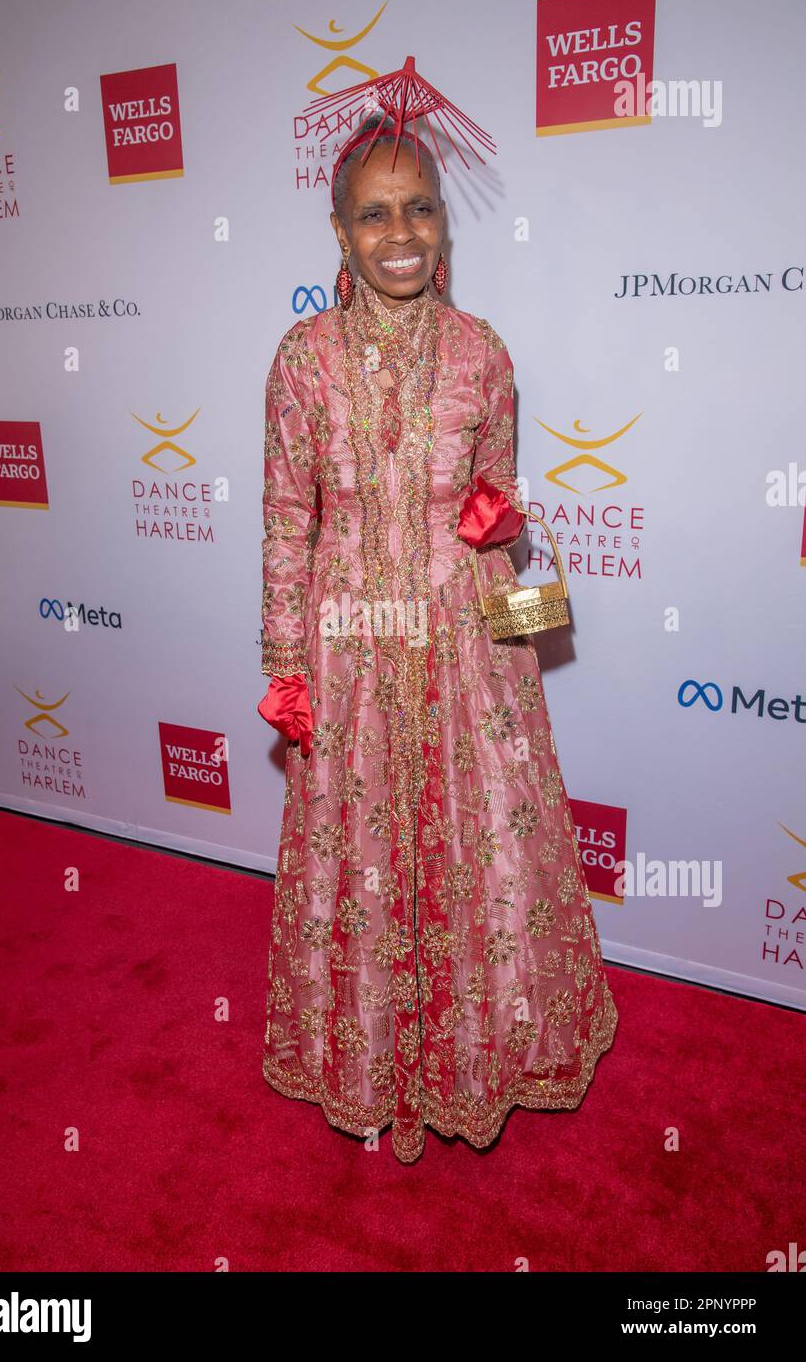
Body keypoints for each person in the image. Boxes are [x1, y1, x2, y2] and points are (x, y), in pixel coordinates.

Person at [257, 58, 618, 1164]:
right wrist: (286, 661)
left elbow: (494, 512)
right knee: (362, 848)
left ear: (442, 229)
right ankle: (376, 1072)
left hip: (465, 649)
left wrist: (525, 637)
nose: (398, 232)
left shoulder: (483, 356)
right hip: (351, 648)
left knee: (482, 849)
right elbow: (285, 523)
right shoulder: (301, 363)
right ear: (338, 227)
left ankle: (473, 1061)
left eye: (418, 209)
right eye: (373, 213)